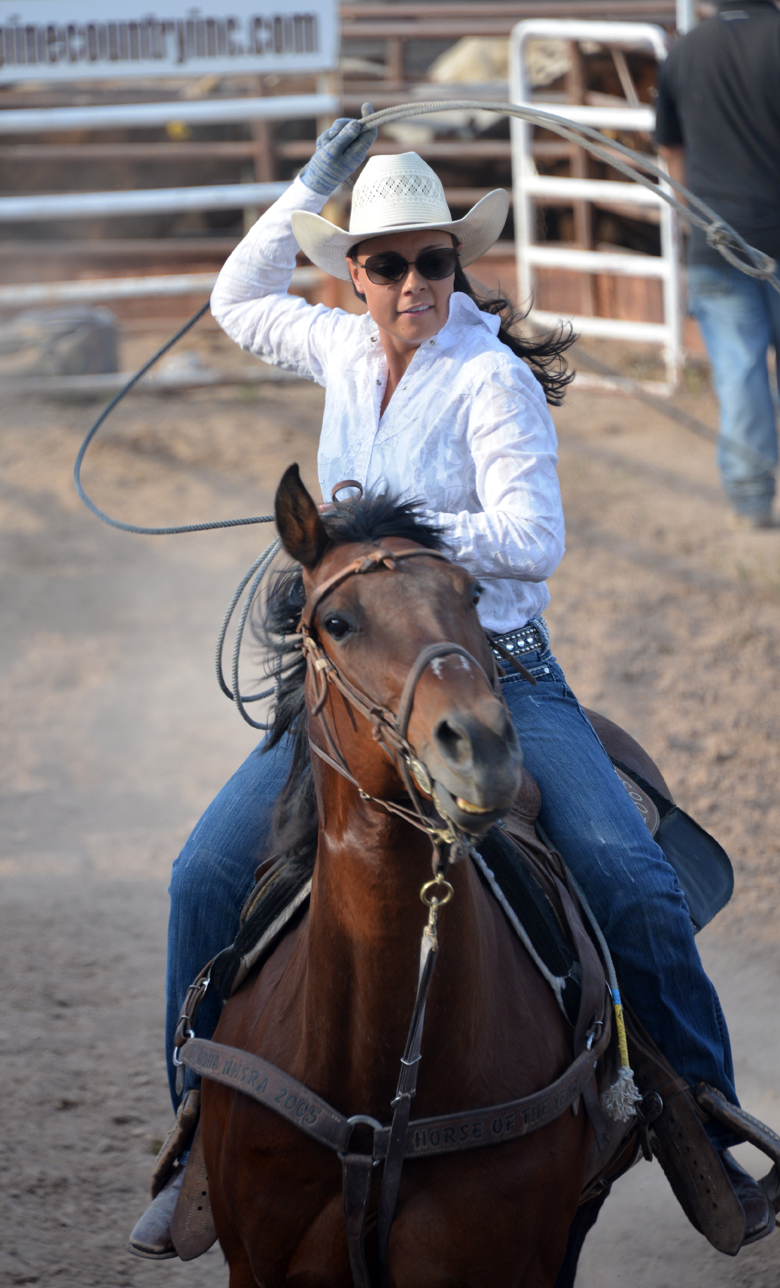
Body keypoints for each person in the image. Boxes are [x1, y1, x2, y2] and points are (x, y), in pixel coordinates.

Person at [128, 109, 774, 1258]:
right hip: (352, 674)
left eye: (435, 260)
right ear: (358, 276)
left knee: (627, 875)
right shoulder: (333, 344)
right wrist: (314, 179)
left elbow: (534, 534)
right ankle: (198, 1127)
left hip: (497, 667)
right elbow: (236, 296)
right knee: (199, 874)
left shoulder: (488, 377)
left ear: (454, 266)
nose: (415, 281)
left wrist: (390, 550)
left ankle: (700, 1121)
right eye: (389, 264)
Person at [655, 0, 780, 528]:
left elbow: (671, 153)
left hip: (719, 241)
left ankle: (752, 498)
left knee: (739, 371)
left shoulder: (684, 51)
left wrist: (693, 224)